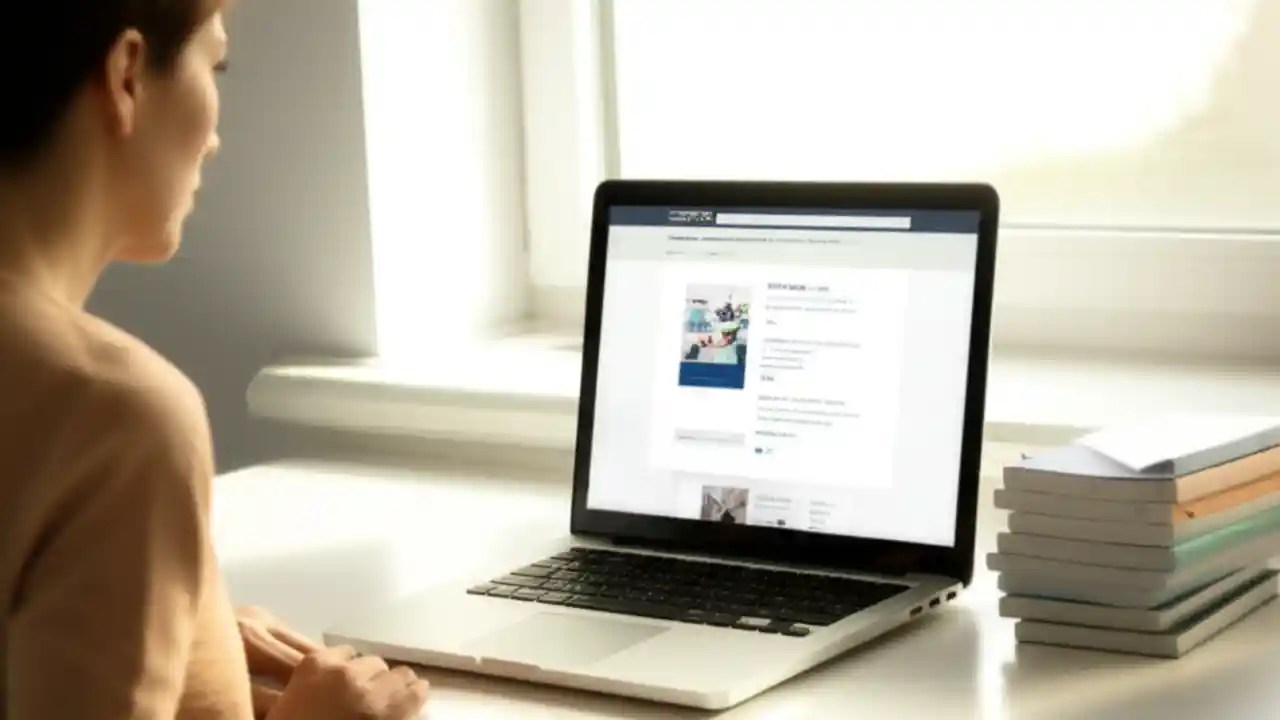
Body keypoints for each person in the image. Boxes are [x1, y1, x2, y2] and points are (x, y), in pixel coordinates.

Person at [0, 2, 429, 719]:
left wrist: (173, 634)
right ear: (128, 75)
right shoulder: (116, 417)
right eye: (215, 64)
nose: (216, 139)